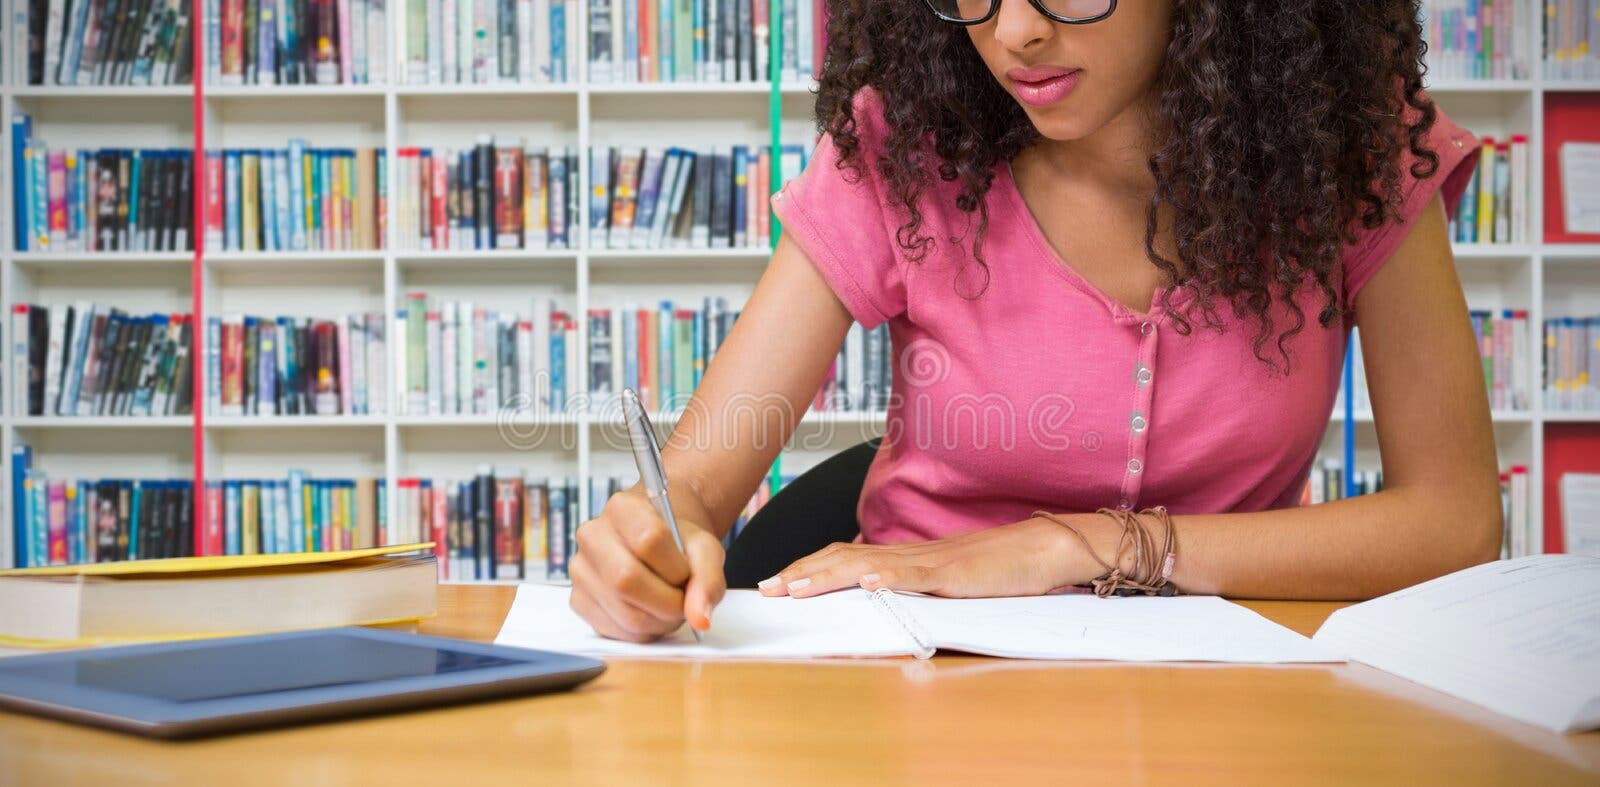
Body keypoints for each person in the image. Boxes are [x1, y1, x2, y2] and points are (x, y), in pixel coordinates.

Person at [569, 0, 1503, 643]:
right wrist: (652, 538)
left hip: (1228, 700)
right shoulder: (905, 148)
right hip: (911, 684)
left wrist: (1078, 544)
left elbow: (1456, 520)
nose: (1014, 29)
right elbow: (694, 475)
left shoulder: (1357, 151)